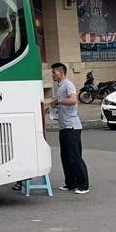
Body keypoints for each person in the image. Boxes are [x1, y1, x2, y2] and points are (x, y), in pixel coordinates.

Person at [48, 62, 90, 194]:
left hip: (72, 126)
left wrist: (58, 101)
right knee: (65, 157)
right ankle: (71, 183)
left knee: (74, 156)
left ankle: (83, 185)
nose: (53, 75)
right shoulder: (60, 87)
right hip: (64, 126)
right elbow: (57, 105)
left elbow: (73, 100)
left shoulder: (68, 84)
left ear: (61, 72)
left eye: (54, 72)